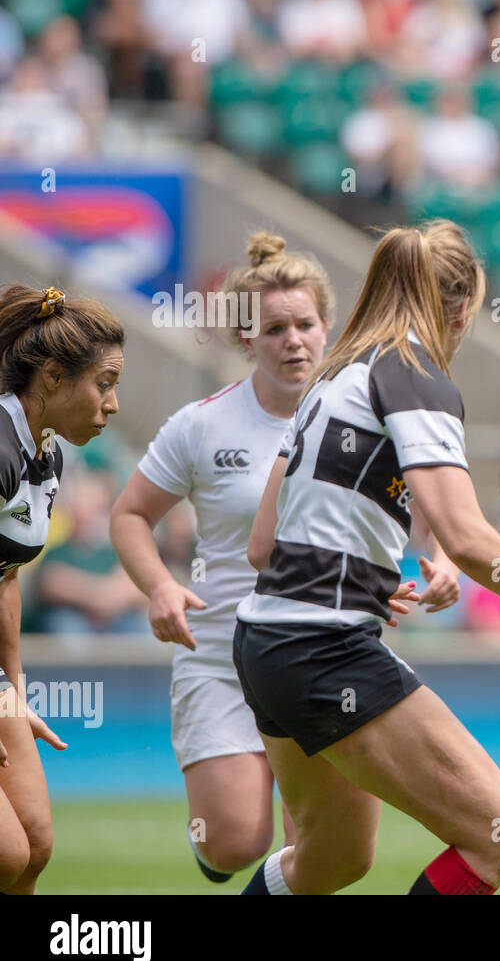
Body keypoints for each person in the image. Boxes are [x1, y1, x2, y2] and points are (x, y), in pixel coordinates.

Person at [233, 220, 500, 895]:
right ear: (460, 308)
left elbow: (262, 543)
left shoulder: (335, 377)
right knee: (497, 834)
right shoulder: (416, 374)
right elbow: (468, 532)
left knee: (331, 857)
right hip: (323, 649)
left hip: (264, 643)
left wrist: (356, 570)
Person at [110, 233, 351, 882]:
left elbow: (414, 508)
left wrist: (426, 569)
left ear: (327, 328)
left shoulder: (360, 420)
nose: (294, 340)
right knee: (235, 841)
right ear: (247, 339)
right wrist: (159, 586)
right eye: (275, 328)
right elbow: (129, 515)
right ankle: (222, 839)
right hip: (220, 654)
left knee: (323, 854)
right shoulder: (202, 424)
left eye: (305, 324)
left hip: (325, 654)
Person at [0, 284, 124, 893]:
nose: (115, 404)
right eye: (104, 383)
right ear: (52, 377)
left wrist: (15, 694)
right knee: (3, 854)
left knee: (34, 847)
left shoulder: (45, 456)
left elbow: (6, 574)